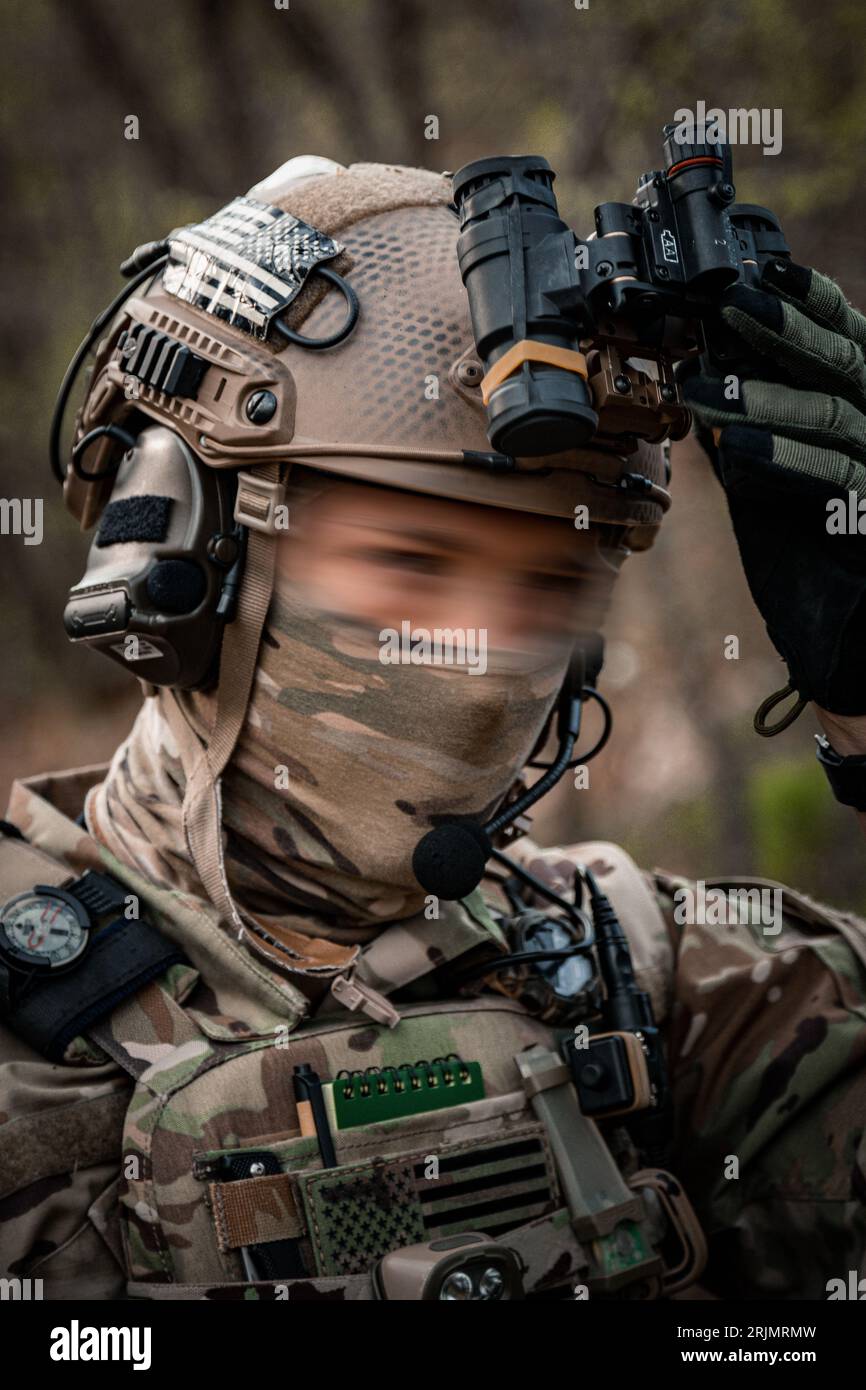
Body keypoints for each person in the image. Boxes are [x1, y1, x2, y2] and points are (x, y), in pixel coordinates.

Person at [1, 156, 864, 1301]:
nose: (480, 657)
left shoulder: (653, 972)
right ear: (174, 556)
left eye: (553, 583)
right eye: (414, 563)